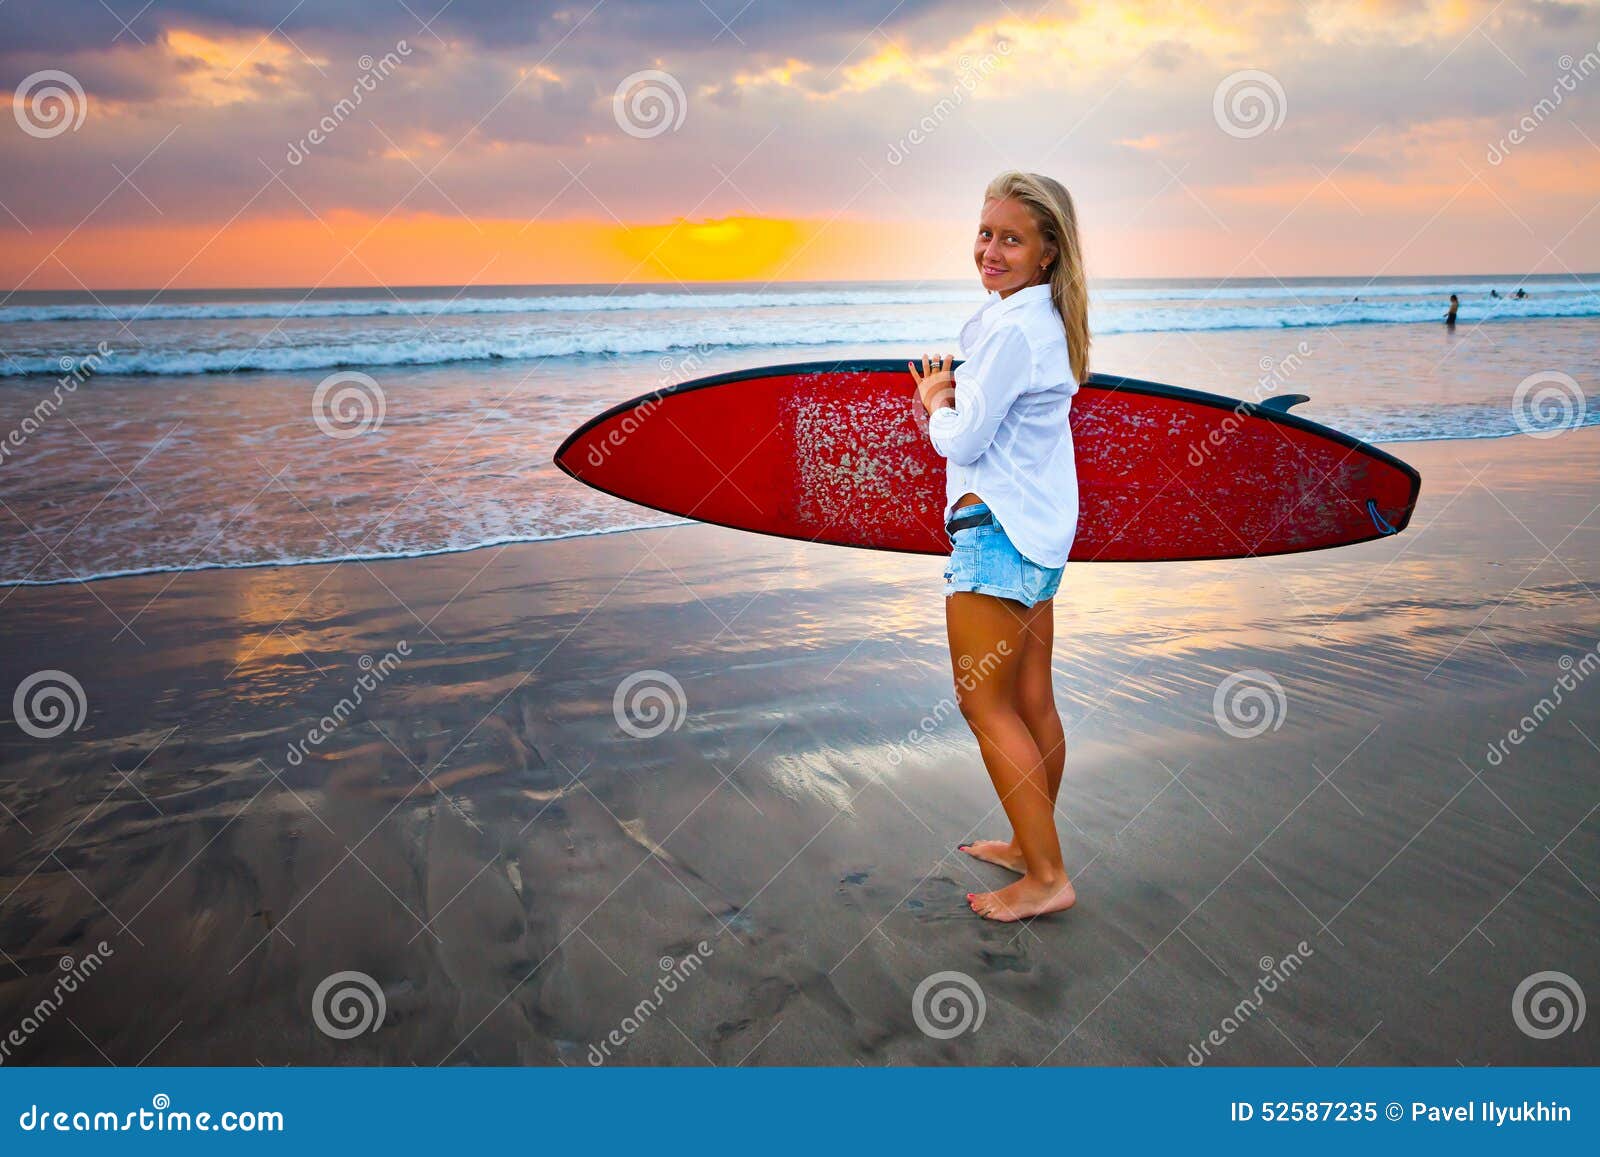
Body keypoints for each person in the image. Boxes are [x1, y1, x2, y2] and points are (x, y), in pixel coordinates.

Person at [906, 170, 1088, 922]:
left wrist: (934, 405)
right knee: (1032, 698)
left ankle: (1046, 874)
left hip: (997, 533)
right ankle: (1028, 842)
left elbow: (969, 437)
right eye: (986, 233)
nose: (992, 249)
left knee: (985, 706)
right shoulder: (1040, 320)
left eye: (1012, 238)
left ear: (1048, 251)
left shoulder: (1013, 329)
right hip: (1038, 533)